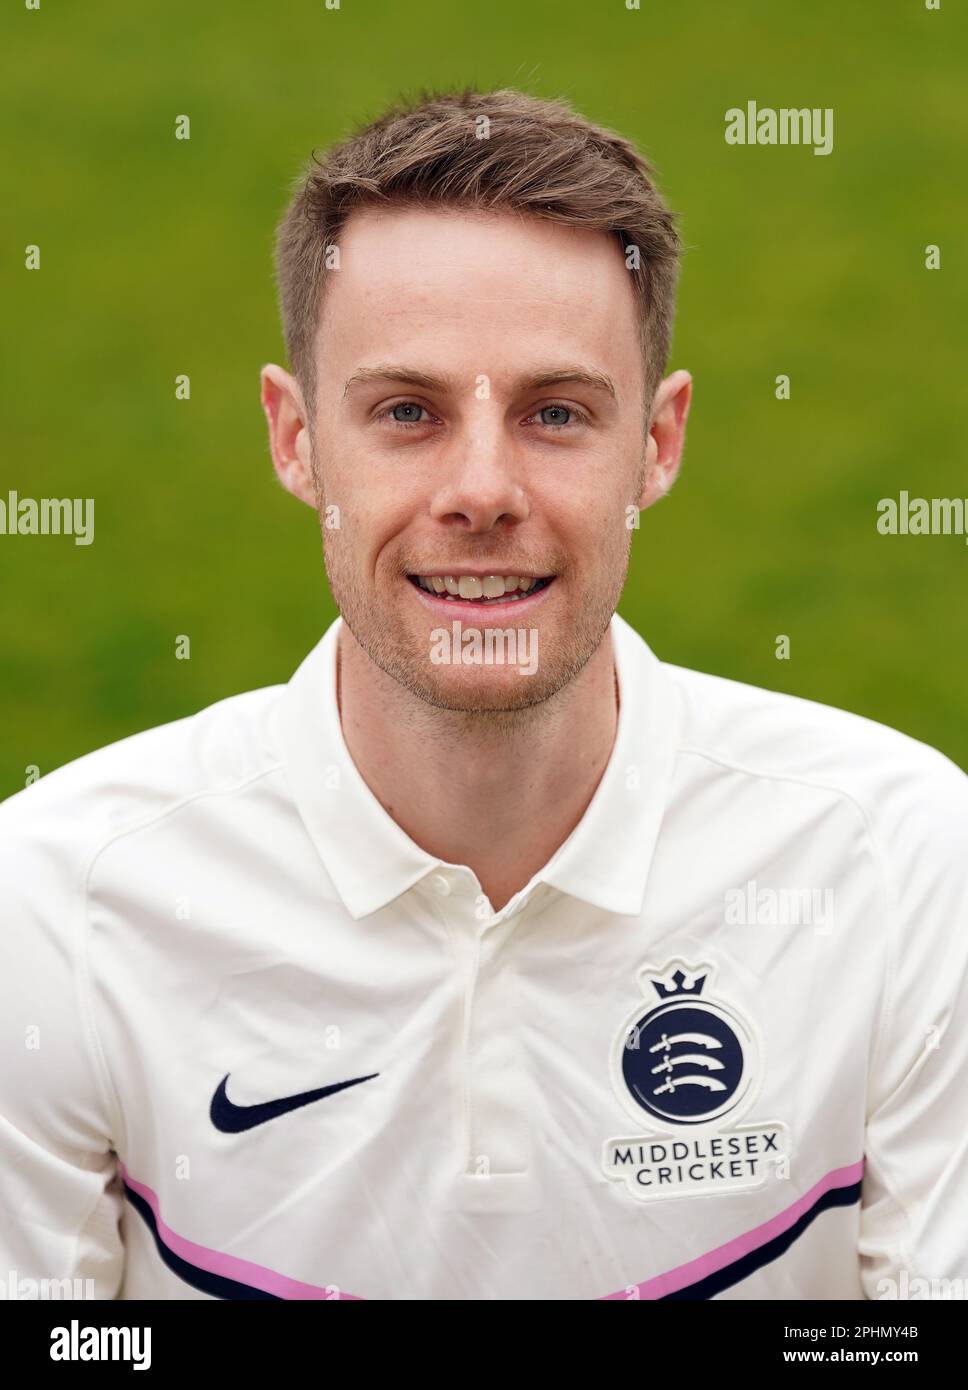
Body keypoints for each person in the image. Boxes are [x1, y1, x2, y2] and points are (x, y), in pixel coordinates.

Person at [1, 87, 966, 1302]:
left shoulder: (902, 860)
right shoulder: (53, 900)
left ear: (656, 444)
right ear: (294, 439)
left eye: (554, 413)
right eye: (404, 412)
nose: (480, 489)